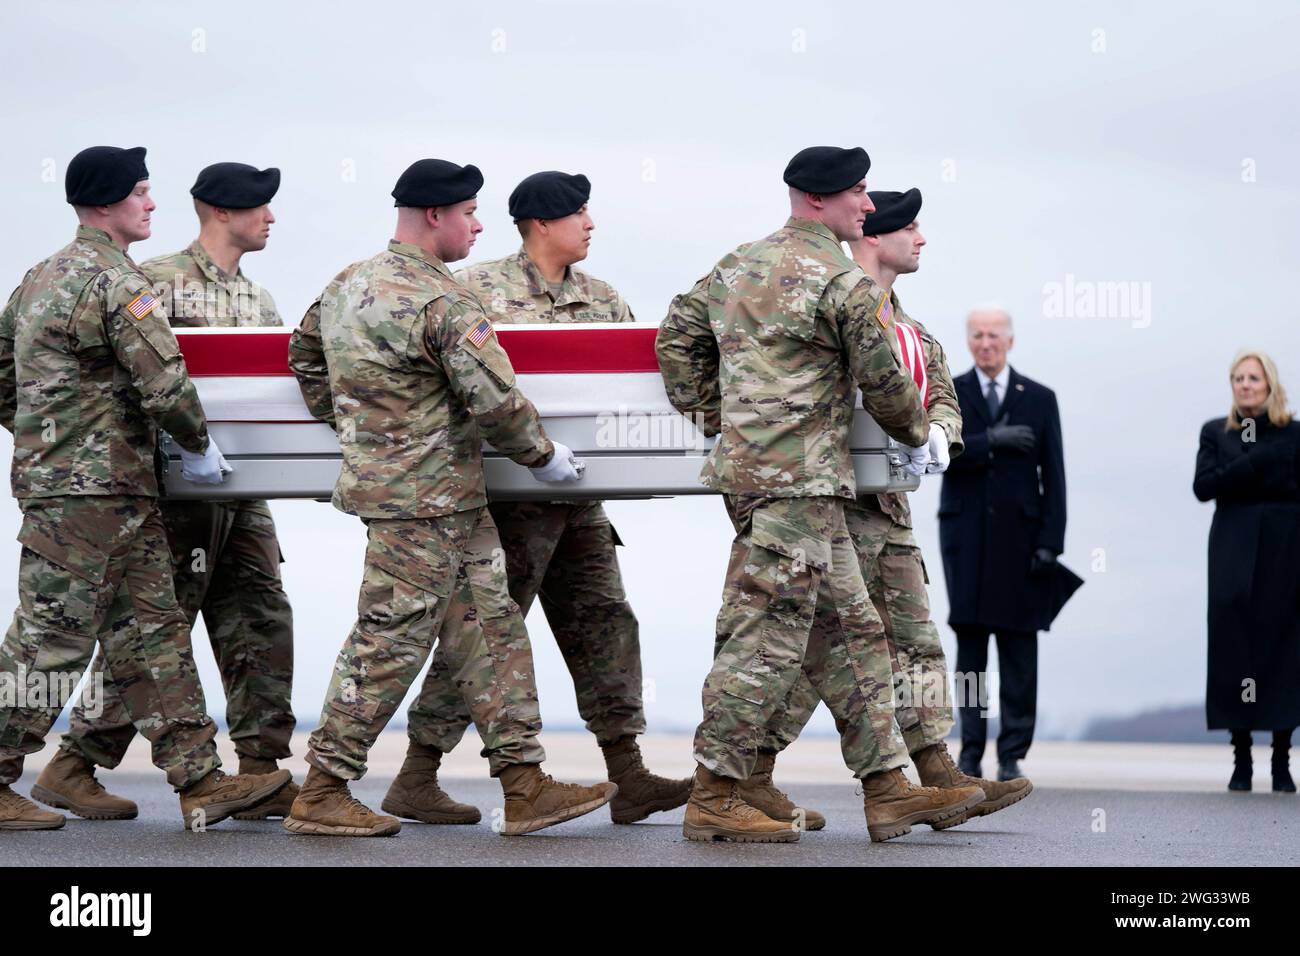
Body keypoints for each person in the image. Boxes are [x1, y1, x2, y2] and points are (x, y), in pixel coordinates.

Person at [657, 146, 983, 843]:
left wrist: (721, 416)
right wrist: (917, 430)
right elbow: (887, 380)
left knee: (855, 633)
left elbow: (675, 338)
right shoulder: (838, 280)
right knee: (765, 638)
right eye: (858, 195)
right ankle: (715, 793)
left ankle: (888, 788)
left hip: (763, 482)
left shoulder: (737, 263)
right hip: (800, 485)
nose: (867, 207)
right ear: (819, 201)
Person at [285, 157, 616, 837]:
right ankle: (322, 788)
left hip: (437, 499)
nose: (478, 224)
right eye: (468, 212)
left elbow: (303, 357)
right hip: (425, 503)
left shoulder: (347, 284)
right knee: (389, 641)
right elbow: (494, 398)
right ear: (434, 215)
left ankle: (524, 784)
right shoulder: (442, 299)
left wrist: (363, 425)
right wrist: (544, 457)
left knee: (492, 633)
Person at [0, 146, 290, 830]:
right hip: (95, 494)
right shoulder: (117, 282)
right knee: (49, 638)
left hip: (93, 491)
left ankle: (200, 779)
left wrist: (46, 435)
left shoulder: (37, 278)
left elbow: (2, 378)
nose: (152, 204)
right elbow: (164, 383)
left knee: (153, 636)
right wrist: (200, 445)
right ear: (105, 204)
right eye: (140, 193)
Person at [392, 170, 689, 827]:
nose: (590, 224)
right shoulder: (476, 290)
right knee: (487, 639)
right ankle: (417, 773)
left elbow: (633, 385)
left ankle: (628, 773)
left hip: (580, 500)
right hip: (509, 505)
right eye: (579, 213)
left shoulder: (603, 297)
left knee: (606, 622)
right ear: (542, 223)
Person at [752, 190, 1032, 827]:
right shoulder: (830, 304)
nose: (922, 239)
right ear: (873, 237)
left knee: (917, 643)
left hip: (889, 512)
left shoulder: (910, 327)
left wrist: (941, 434)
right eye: (910, 228)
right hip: (828, 506)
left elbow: (943, 397)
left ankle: (935, 769)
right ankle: (749, 773)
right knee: (818, 654)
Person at [939, 307, 1066, 782]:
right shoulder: (949, 391)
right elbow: (937, 455)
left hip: (1022, 543)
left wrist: (1051, 542)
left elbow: (1055, 476)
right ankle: (970, 752)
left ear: (1010, 341)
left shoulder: (1039, 398)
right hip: (966, 542)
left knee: (1018, 651)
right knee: (970, 652)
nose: (985, 343)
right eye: (977, 336)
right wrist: (989, 439)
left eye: (993, 335)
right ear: (969, 341)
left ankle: (1012, 753)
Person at [1193, 349, 1299, 793]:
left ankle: (1280, 758)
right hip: (1233, 547)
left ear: (1269, 383)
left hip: (1285, 548)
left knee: (1283, 644)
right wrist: (1254, 464)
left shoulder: (1293, 433)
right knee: (1235, 644)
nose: (1245, 385)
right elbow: (1204, 486)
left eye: (1253, 378)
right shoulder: (1217, 431)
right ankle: (1241, 757)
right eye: (1238, 378)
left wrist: (1239, 476)